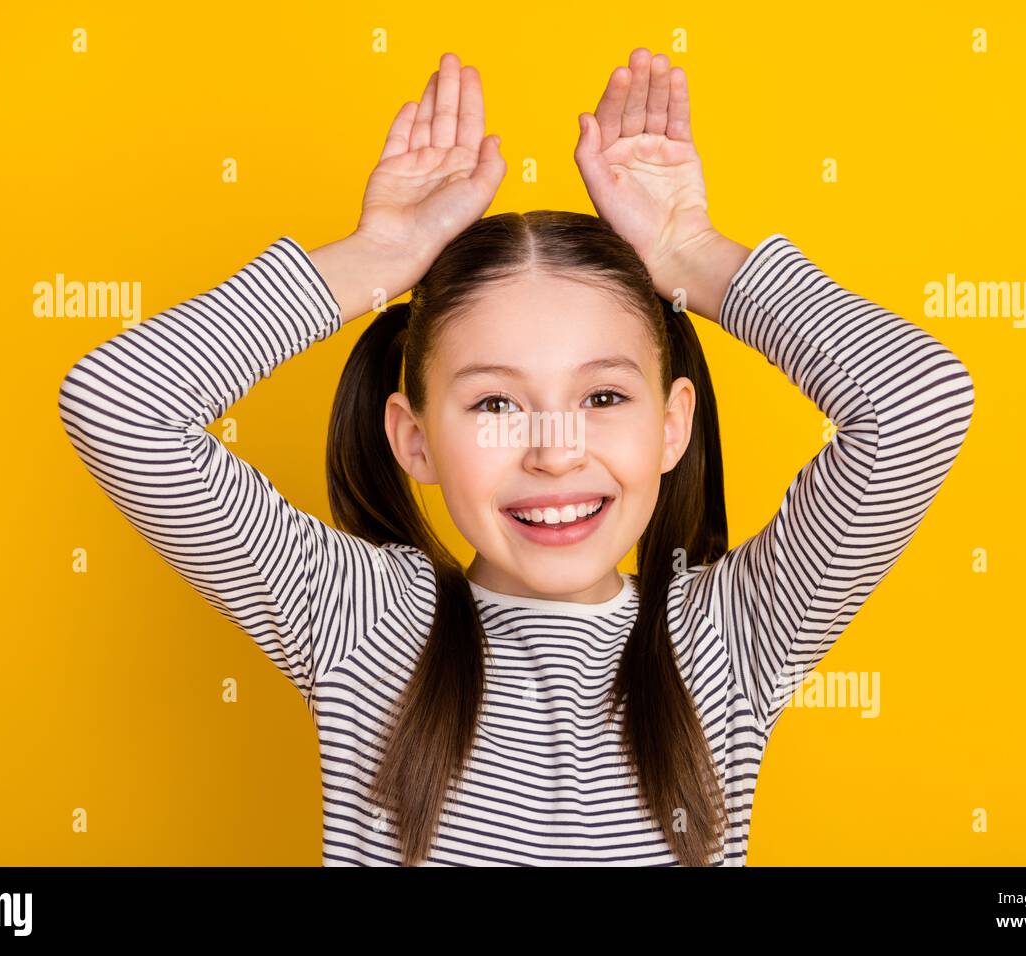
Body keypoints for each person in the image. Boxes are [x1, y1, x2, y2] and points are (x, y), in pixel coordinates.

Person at [57, 48, 975, 866]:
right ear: (414, 438)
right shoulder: (361, 621)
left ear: (672, 424)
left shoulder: (731, 638)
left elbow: (918, 403)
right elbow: (118, 406)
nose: (553, 451)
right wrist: (377, 257)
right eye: (496, 402)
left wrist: (689, 254)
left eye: (604, 397)